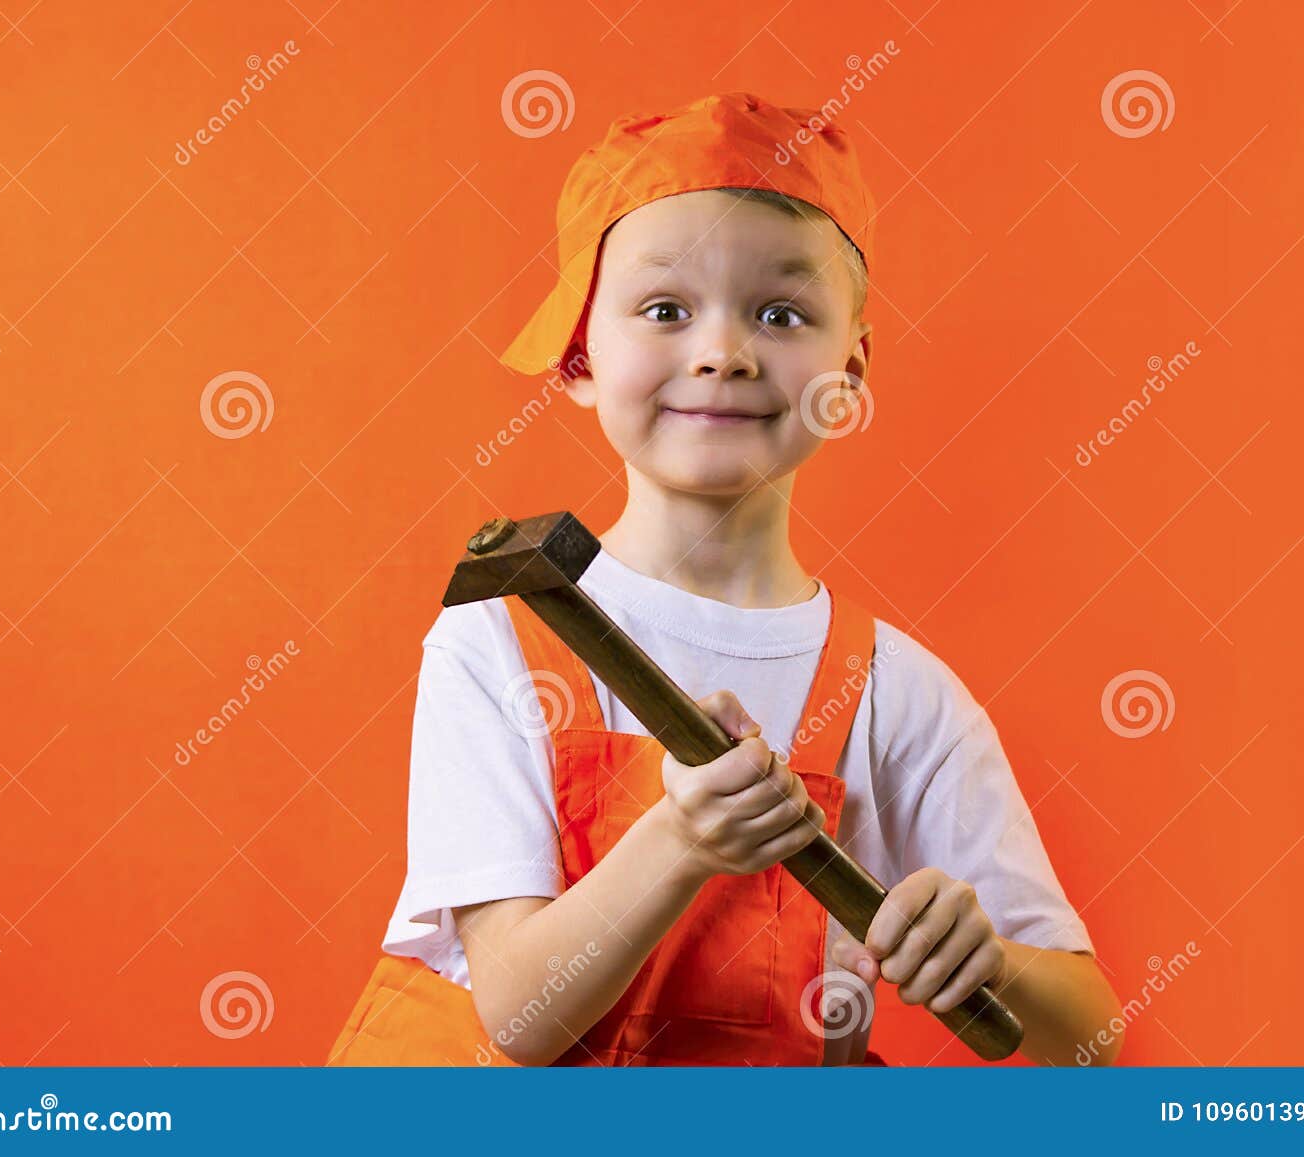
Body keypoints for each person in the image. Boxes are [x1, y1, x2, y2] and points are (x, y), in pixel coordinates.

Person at [328, 91, 1122, 1067]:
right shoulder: (499, 638)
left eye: (781, 313)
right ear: (578, 353)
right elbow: (520, 1019)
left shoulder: (898, 693)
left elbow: (1090, 1037)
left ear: (850, 370)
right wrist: (679, 842)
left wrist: (989, 959)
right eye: (665, 309)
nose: (723, 353)